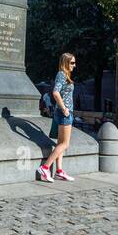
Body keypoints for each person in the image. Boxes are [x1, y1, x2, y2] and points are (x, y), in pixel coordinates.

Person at [38, 52, 77, 183]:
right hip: (64, 113)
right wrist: (64, 108)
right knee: (65, 144)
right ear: (65, 62)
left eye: (74, 63)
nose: (74, 65)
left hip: (63, 112)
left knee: (60, 143)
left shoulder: (65, 75)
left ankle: (59, 171)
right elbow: (55, 92)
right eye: (72, 63)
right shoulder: (61, 74)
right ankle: (45, 167)